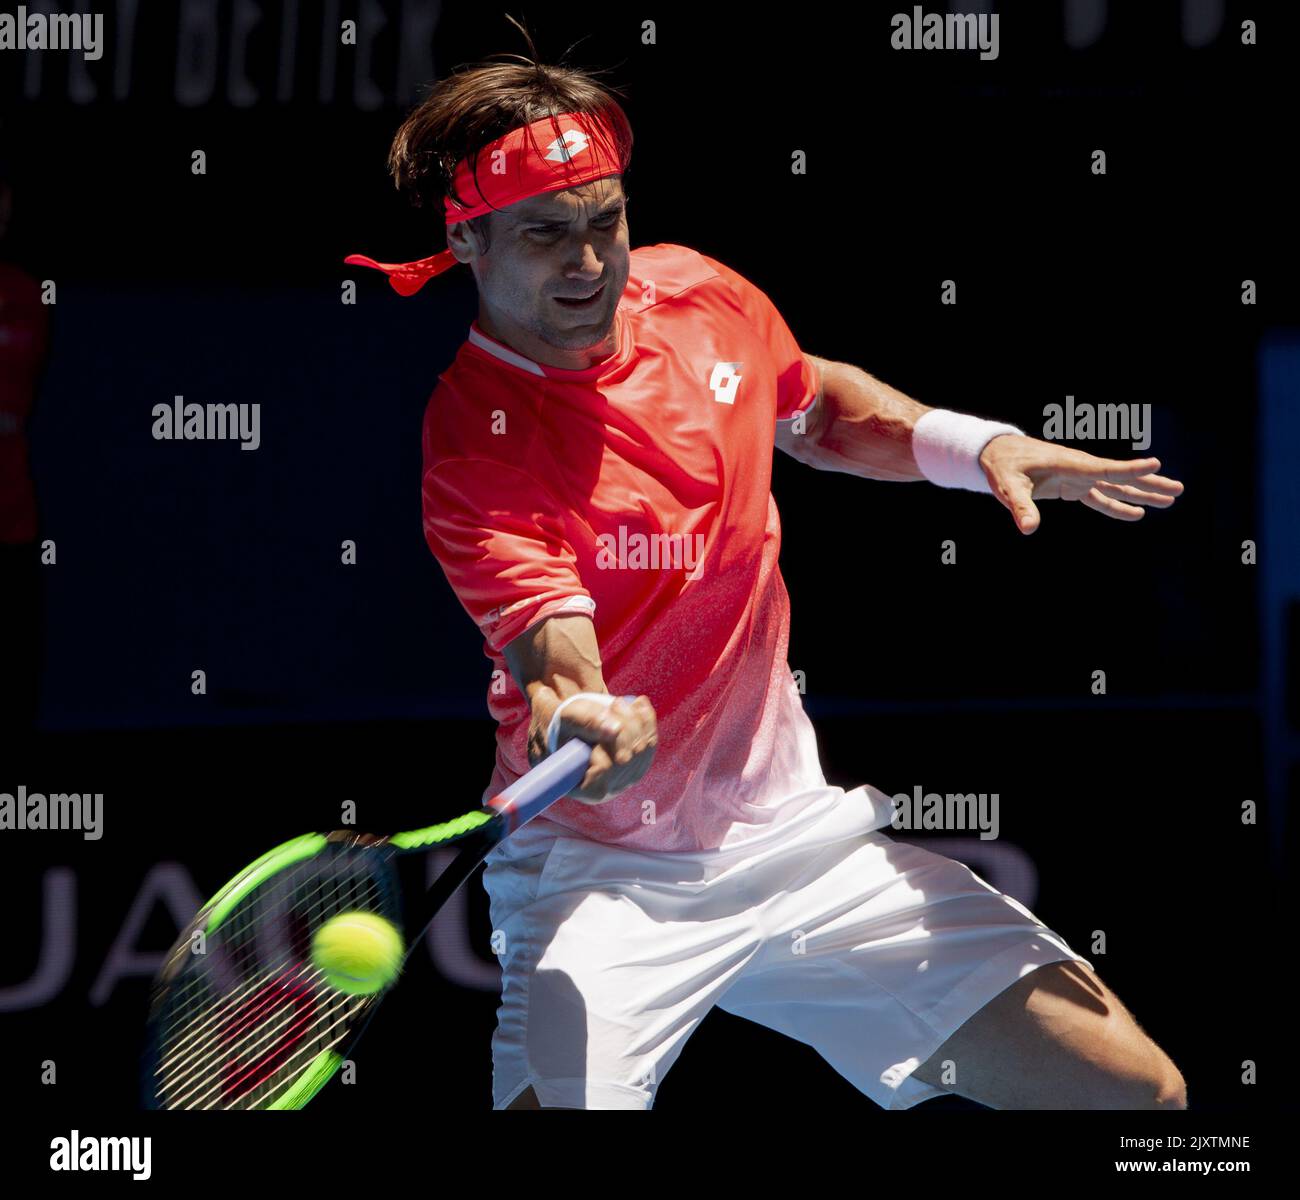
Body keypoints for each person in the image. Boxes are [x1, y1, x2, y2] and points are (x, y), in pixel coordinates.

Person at [347, 35, 1187, 1111]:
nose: (588, 262)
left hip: (798, 845)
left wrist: (974, 446)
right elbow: (553, 662)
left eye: (604, 219)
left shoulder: (699, 296)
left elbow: (813, 408)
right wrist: (581, 725)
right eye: (545, 235)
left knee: (1133, 1097)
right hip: (609, 879)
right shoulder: (481, 448)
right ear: (466, 241)